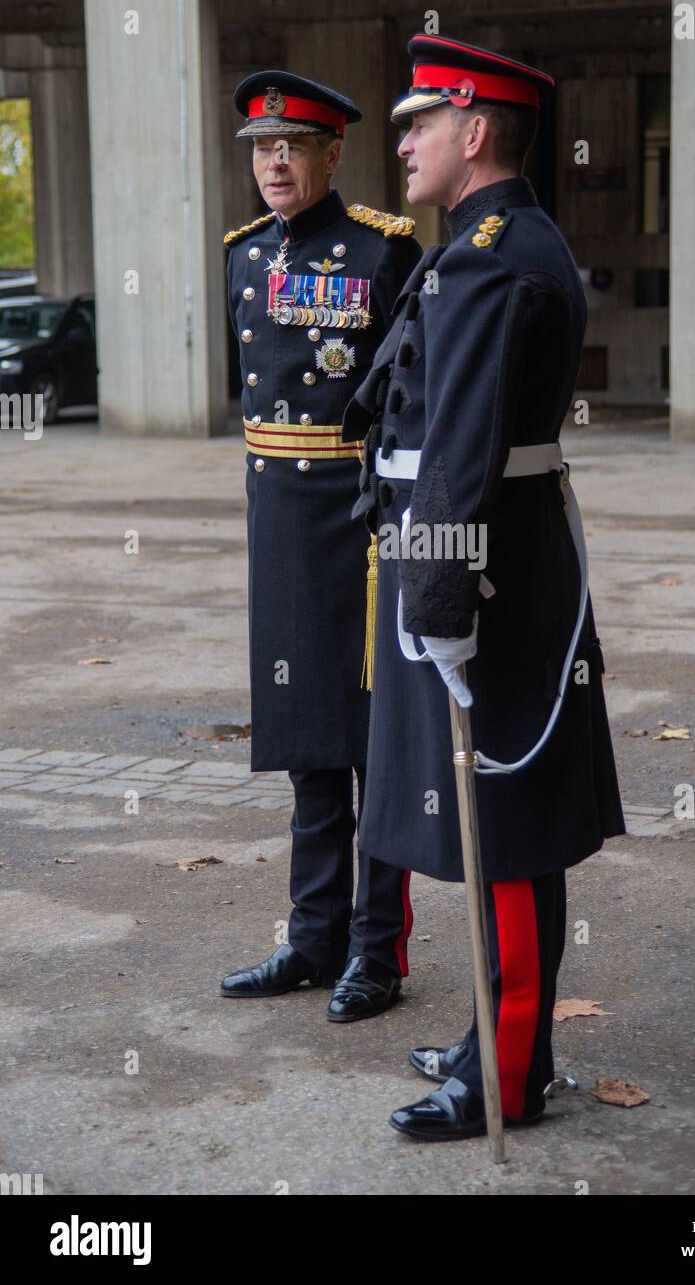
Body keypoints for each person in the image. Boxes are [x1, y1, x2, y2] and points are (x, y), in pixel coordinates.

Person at [341, 34, 626, 1137]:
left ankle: (503, 1077)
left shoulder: (489, 259)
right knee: (498, 831)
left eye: (418, 121)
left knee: (501, 831)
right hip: (494, 560)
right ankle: (499, 1039)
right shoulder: (495, 243)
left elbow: (457, 455)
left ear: (473, 133)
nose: (401, 140)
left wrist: (438, 603)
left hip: (483, 575)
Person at [220, 71, 421, 1022]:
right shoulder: (242, 256)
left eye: (291, 146)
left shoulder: (384, 252)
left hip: (360, 522)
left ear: (331, 151)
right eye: (262, 148)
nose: (273, 163)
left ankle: (377, 954)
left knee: (375, 748)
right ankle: (311, 939)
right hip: (281, 529)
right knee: (306, 748)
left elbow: (408, 402)